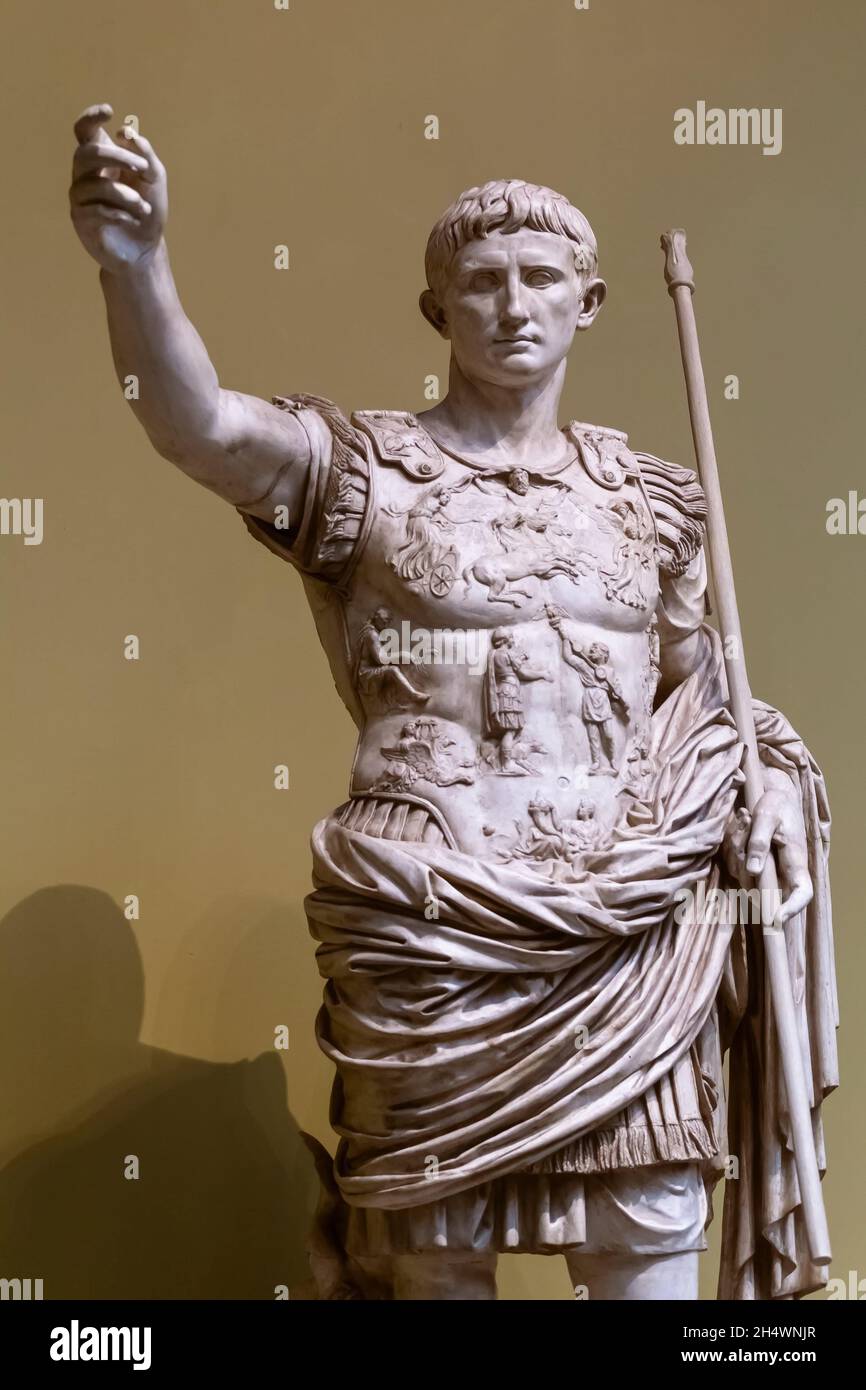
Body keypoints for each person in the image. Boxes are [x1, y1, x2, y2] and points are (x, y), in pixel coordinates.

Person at [70, 104, 837, 1301]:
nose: (511, 304)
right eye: (479, 282)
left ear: (588, 302)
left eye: (540, 279)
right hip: (431, 935)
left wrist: (773, 784)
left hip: (625, 936)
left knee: (645, 1248)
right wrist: (138, 266)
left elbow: (712, 705)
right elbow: (199, 427)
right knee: (430, 1265)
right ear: (438, 309)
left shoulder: (651, 498)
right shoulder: (369, 472)